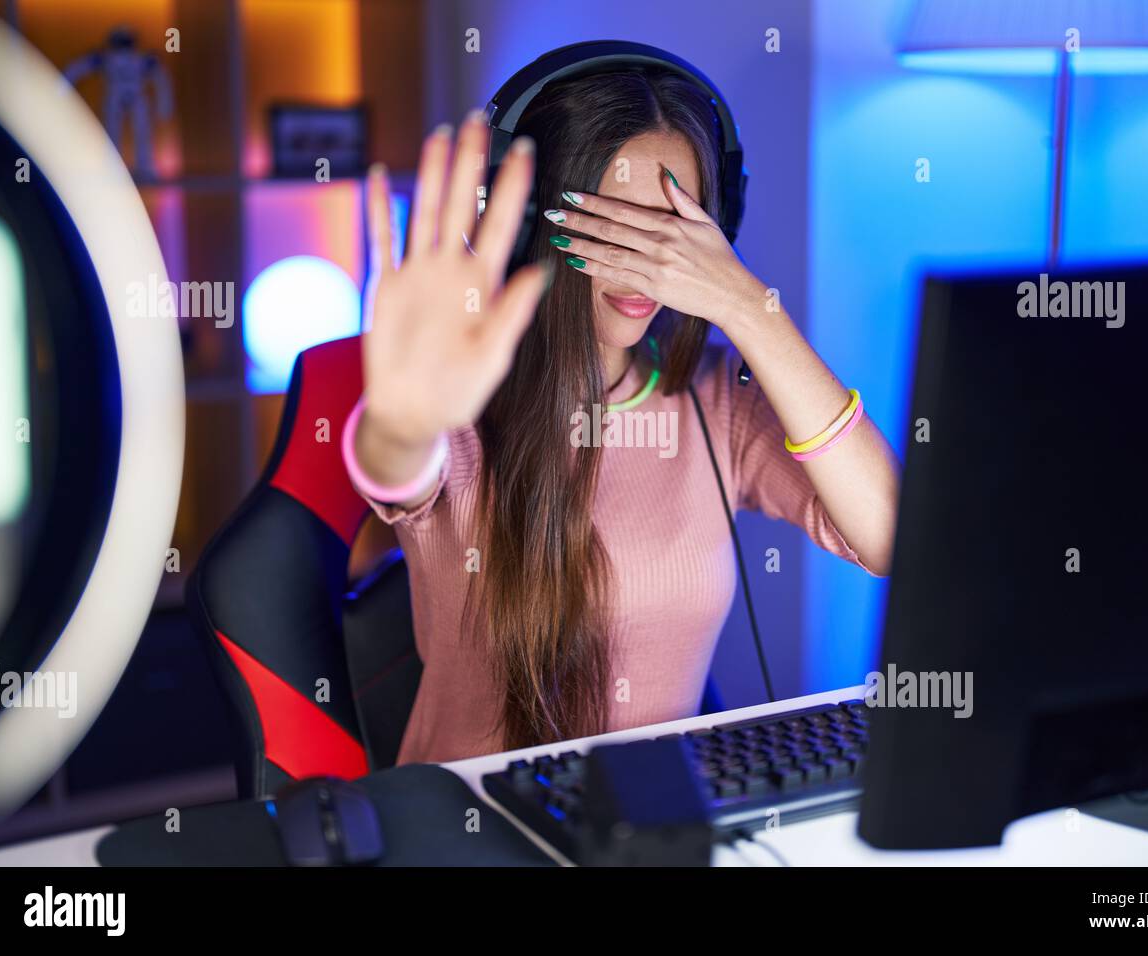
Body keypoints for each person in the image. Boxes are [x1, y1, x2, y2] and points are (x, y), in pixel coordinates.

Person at [343, 67, 901, 763]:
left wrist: (747, 306)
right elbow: (392, 455)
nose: (642, 266)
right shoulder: (454, 398)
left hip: (657, 827)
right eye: (611, 225)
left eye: (673, 230)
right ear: (525, 228)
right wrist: (403, 417)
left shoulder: (715, 397)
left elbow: (888, 538)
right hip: (473, 828)